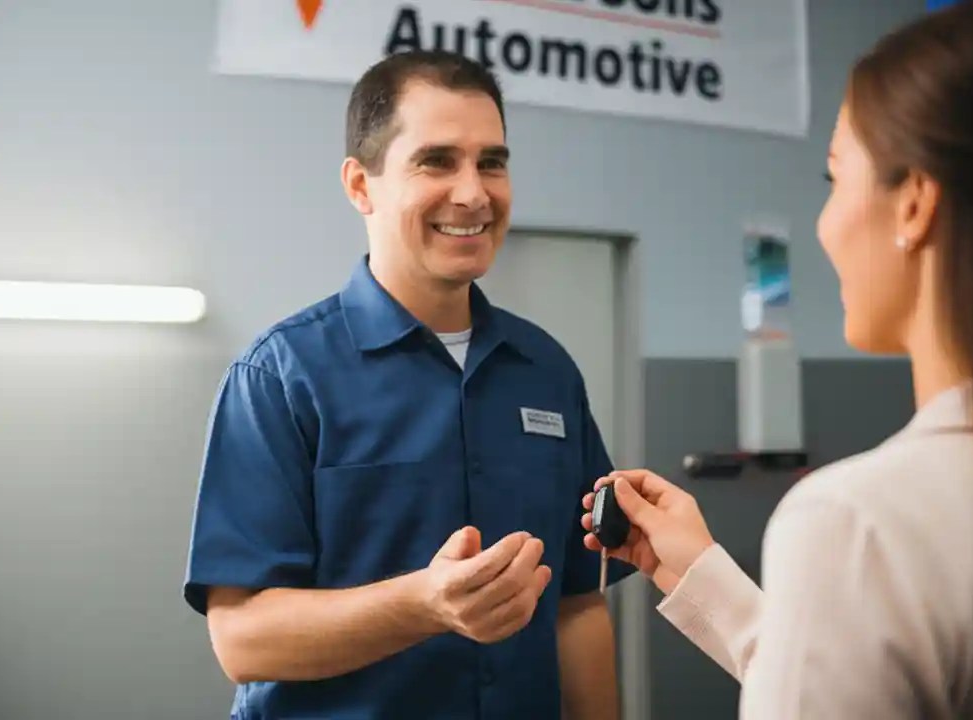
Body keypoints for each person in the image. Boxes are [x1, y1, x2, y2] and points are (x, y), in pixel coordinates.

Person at [582, 2, 973, 718]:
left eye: (834, 179)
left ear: (914, 205)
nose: (825, 224)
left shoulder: (853, 523)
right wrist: (706, 578)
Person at [183, 49, 634, 719]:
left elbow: (577, 603)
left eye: (492, 162)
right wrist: (424, 605)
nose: (474, 192)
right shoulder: (280, 376)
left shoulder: (547, 372)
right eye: (437, 160)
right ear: (361, 186)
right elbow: (244, 638)